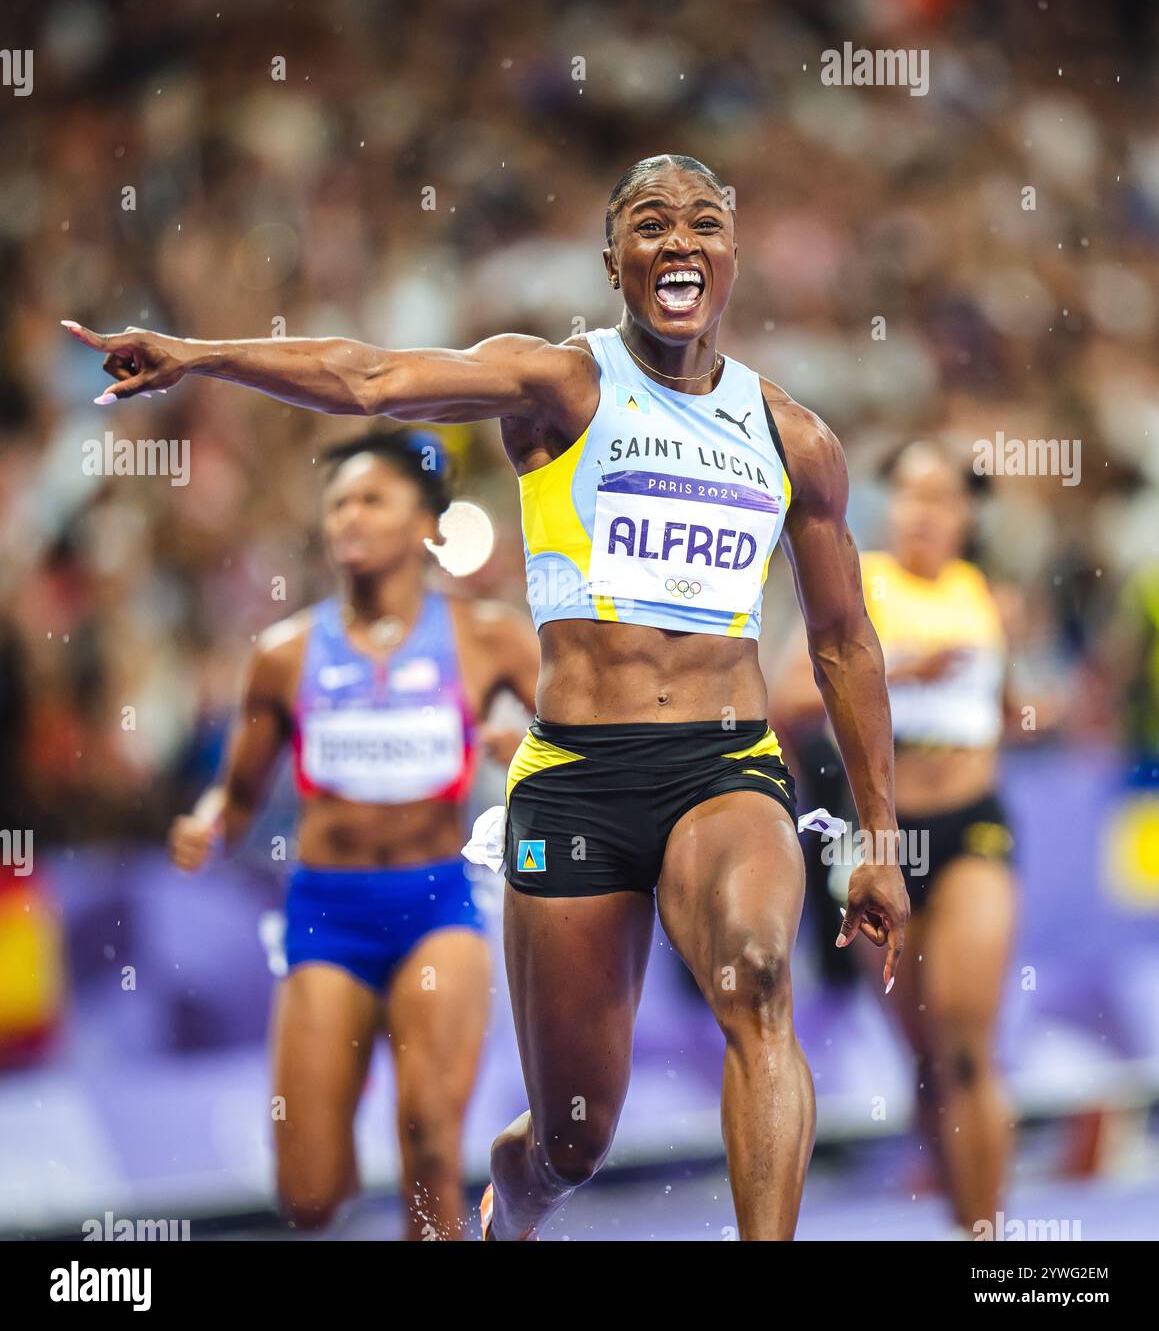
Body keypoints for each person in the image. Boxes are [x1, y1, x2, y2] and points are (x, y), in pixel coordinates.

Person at [64, 151, 909, 1242]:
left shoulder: (795, 440)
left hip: (725, 766)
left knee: (756, 980)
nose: (680, 240)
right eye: (651, 223)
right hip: (576, 782)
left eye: (705, 221)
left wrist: (879, 834)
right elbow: (369, 377)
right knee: (570, 1139)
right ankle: (512, 1213)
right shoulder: (562, 383)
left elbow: (845, 641)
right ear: (615, 261)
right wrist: (202, 357)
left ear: (732, 254)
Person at [166, 428, 539, 1240]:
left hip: (438, 905)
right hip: (325, 916)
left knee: (431, 1145)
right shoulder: (282, 655)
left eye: (372, 500)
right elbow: (233, 799)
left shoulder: (491, 640)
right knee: (308, 1194)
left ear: (424, 525)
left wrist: (528, 754)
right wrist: (205, 826)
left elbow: (585, 742)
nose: (349, 518)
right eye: (337, 504)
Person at [771, 439, 1017, 1234]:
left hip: (972, 824)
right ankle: (960, 1221)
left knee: (964, 1042)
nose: (923, 513)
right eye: (908, 495)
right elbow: (784, 696)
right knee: (922, 1059)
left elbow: (1007, 704)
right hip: (880, 840)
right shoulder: (858, 582)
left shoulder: (989, 597)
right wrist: (900, 674)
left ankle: (990, 1240)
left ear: (966, 516)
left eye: (940, 498)